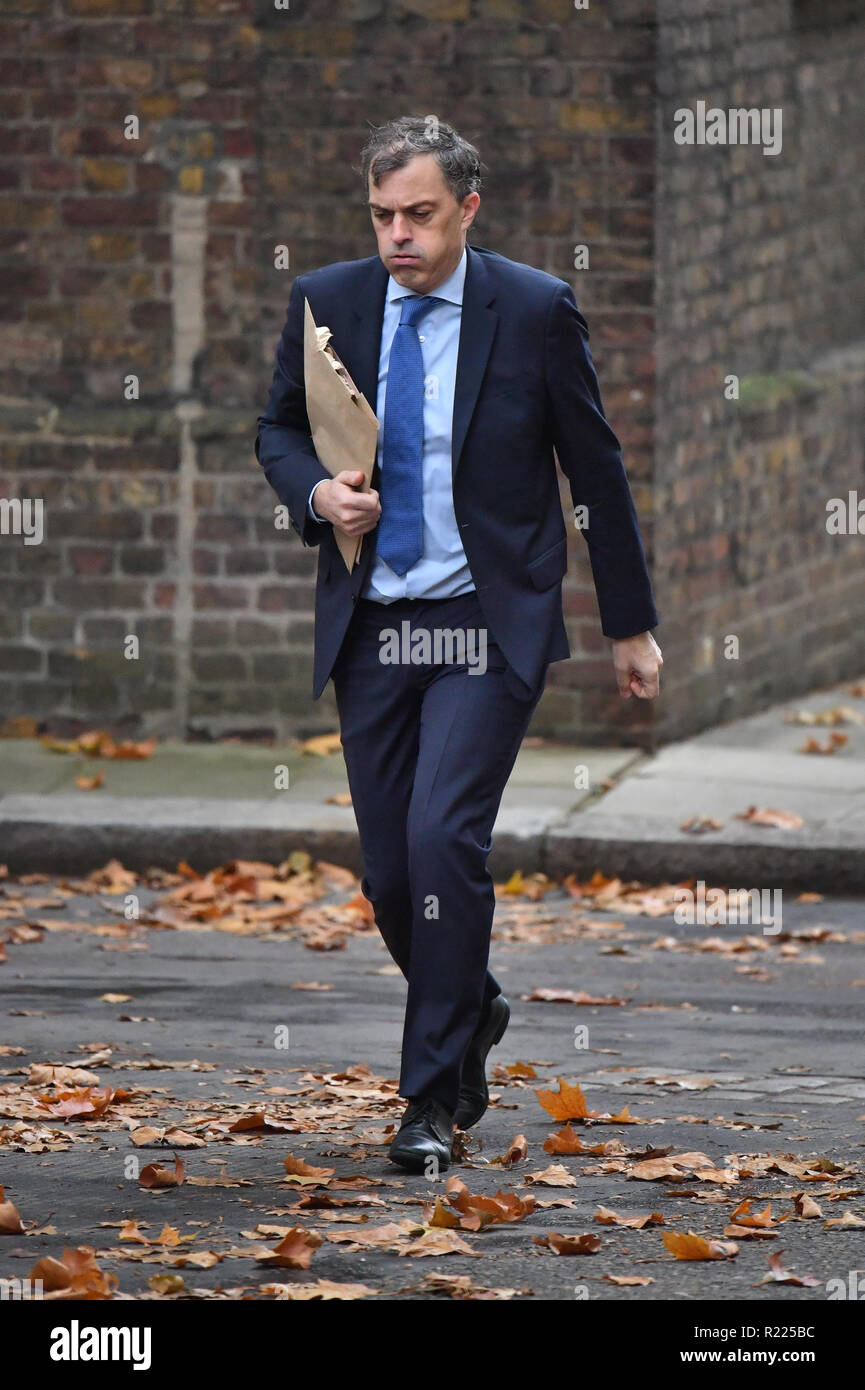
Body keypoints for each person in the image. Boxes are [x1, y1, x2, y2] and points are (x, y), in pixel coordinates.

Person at [255, 115, 662, 1174]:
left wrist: (630, 624)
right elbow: (277, 428)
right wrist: (314, 492)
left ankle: (428, 1099)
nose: (399, 235)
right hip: (373, 625)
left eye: (420, 215)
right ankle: (470, 1003)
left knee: (443, 840)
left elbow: (595, 468)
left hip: (484, 621)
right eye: (383, 214)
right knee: (391, 874)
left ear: (465, 210)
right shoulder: (328, 302)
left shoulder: (529, 310)